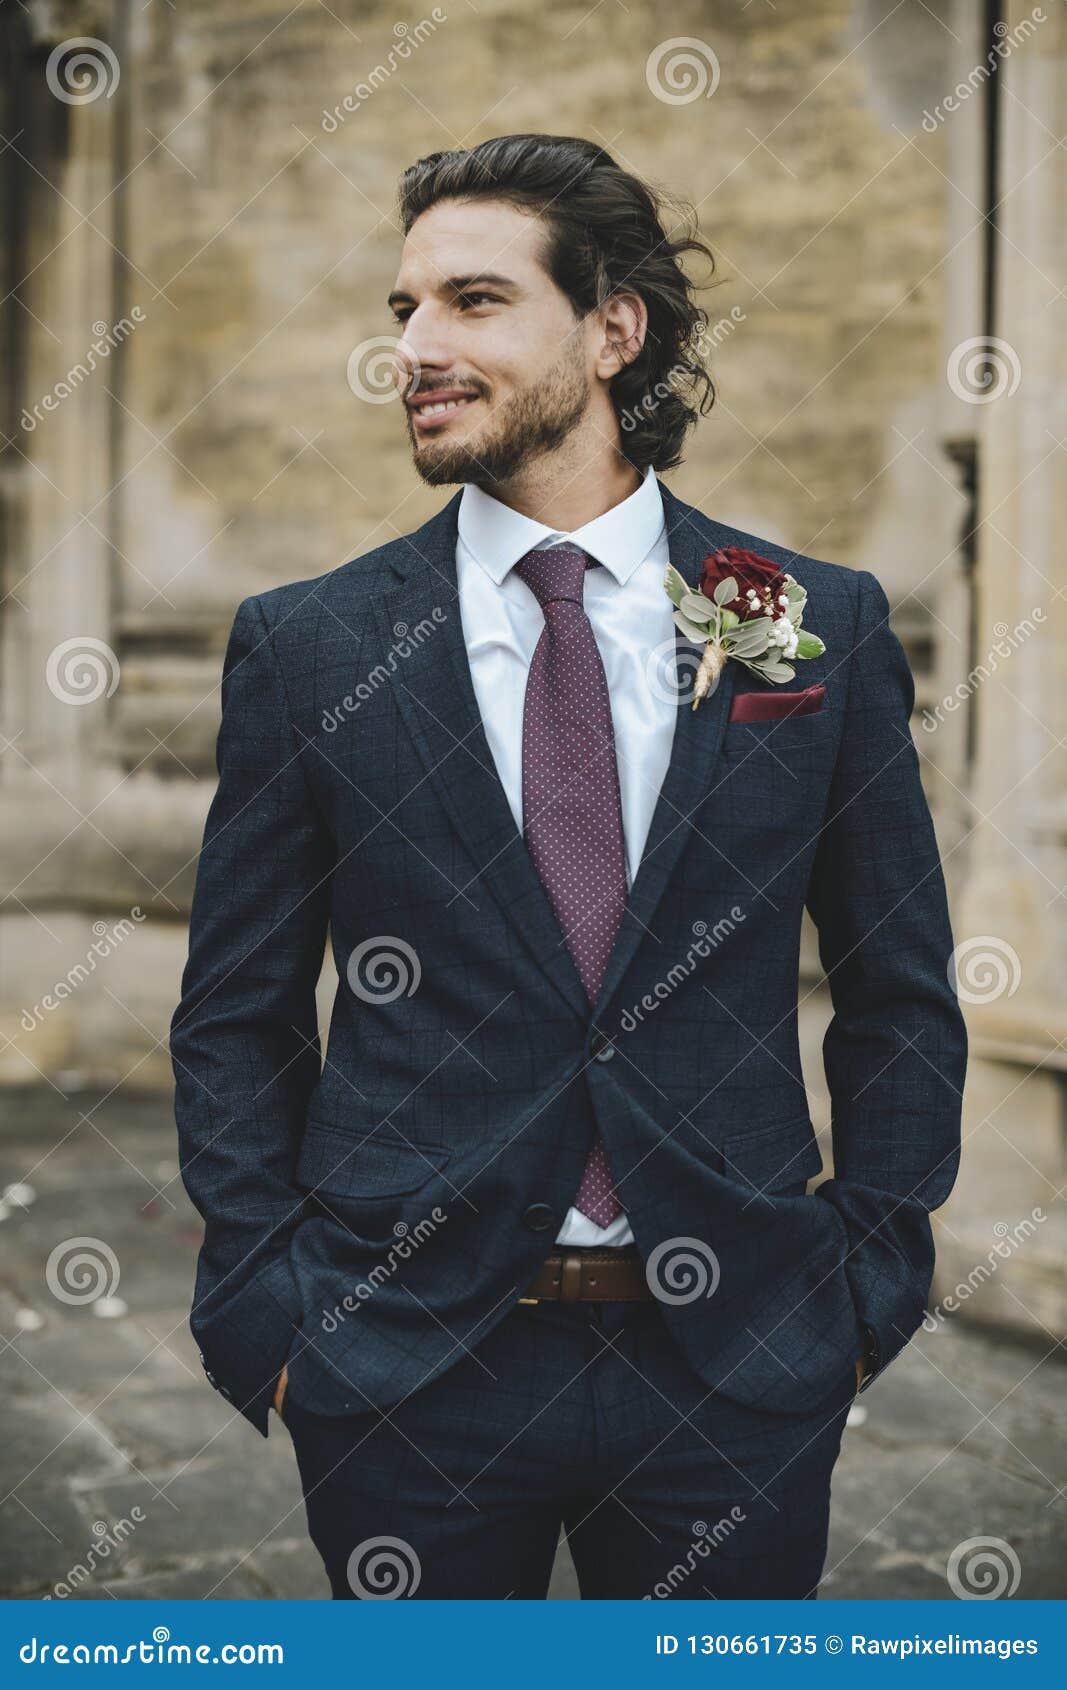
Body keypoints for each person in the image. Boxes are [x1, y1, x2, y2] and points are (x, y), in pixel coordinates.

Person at [171, 133, 967, 1600]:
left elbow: (899, 988)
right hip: (406, 1361)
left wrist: (868, 1277)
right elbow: (236, 1010)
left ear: (614, 330)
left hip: (734, 1361)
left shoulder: (795, 621)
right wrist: (269, 1308)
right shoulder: (315, 645)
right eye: (402, 308)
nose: (413, 345)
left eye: (471, 301)